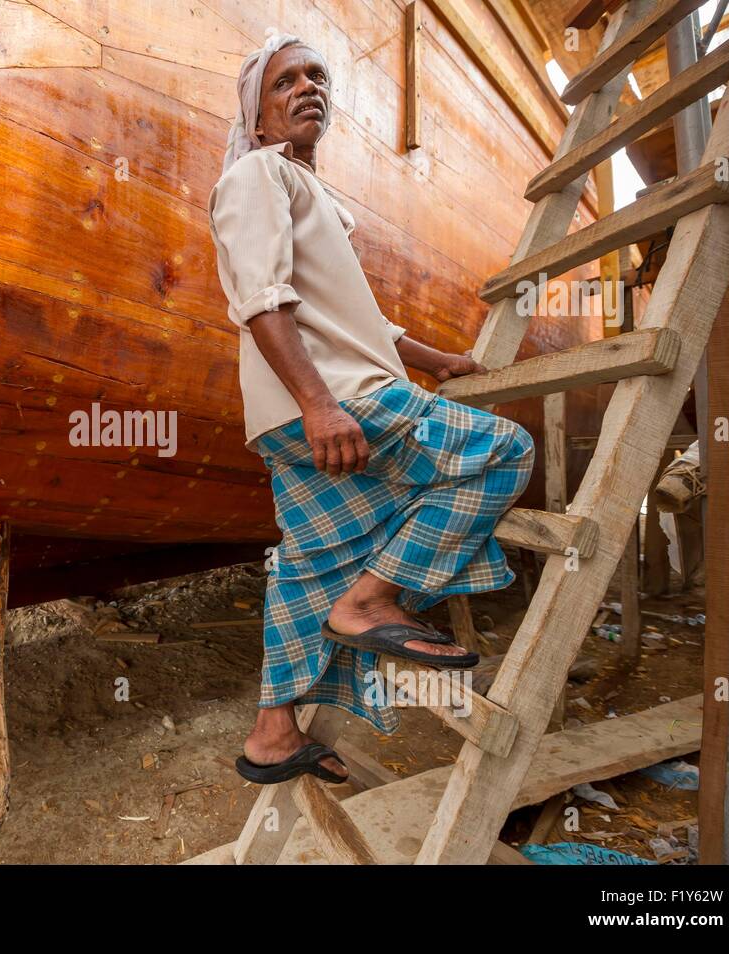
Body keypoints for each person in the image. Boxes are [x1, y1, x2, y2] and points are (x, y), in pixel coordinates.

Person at [207, 33, 534, 785]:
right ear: (257, 120)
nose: (308, 87)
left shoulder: (304, 191)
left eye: (318, 76)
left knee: (308, 562)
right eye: (285, 81)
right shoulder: (257, 173)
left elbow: (361, 324)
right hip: (334, 401)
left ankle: (272, 732)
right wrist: (321, 404)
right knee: (502, 450)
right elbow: (261, 300)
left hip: (289, 415)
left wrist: (436, 359)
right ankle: (372, 600)